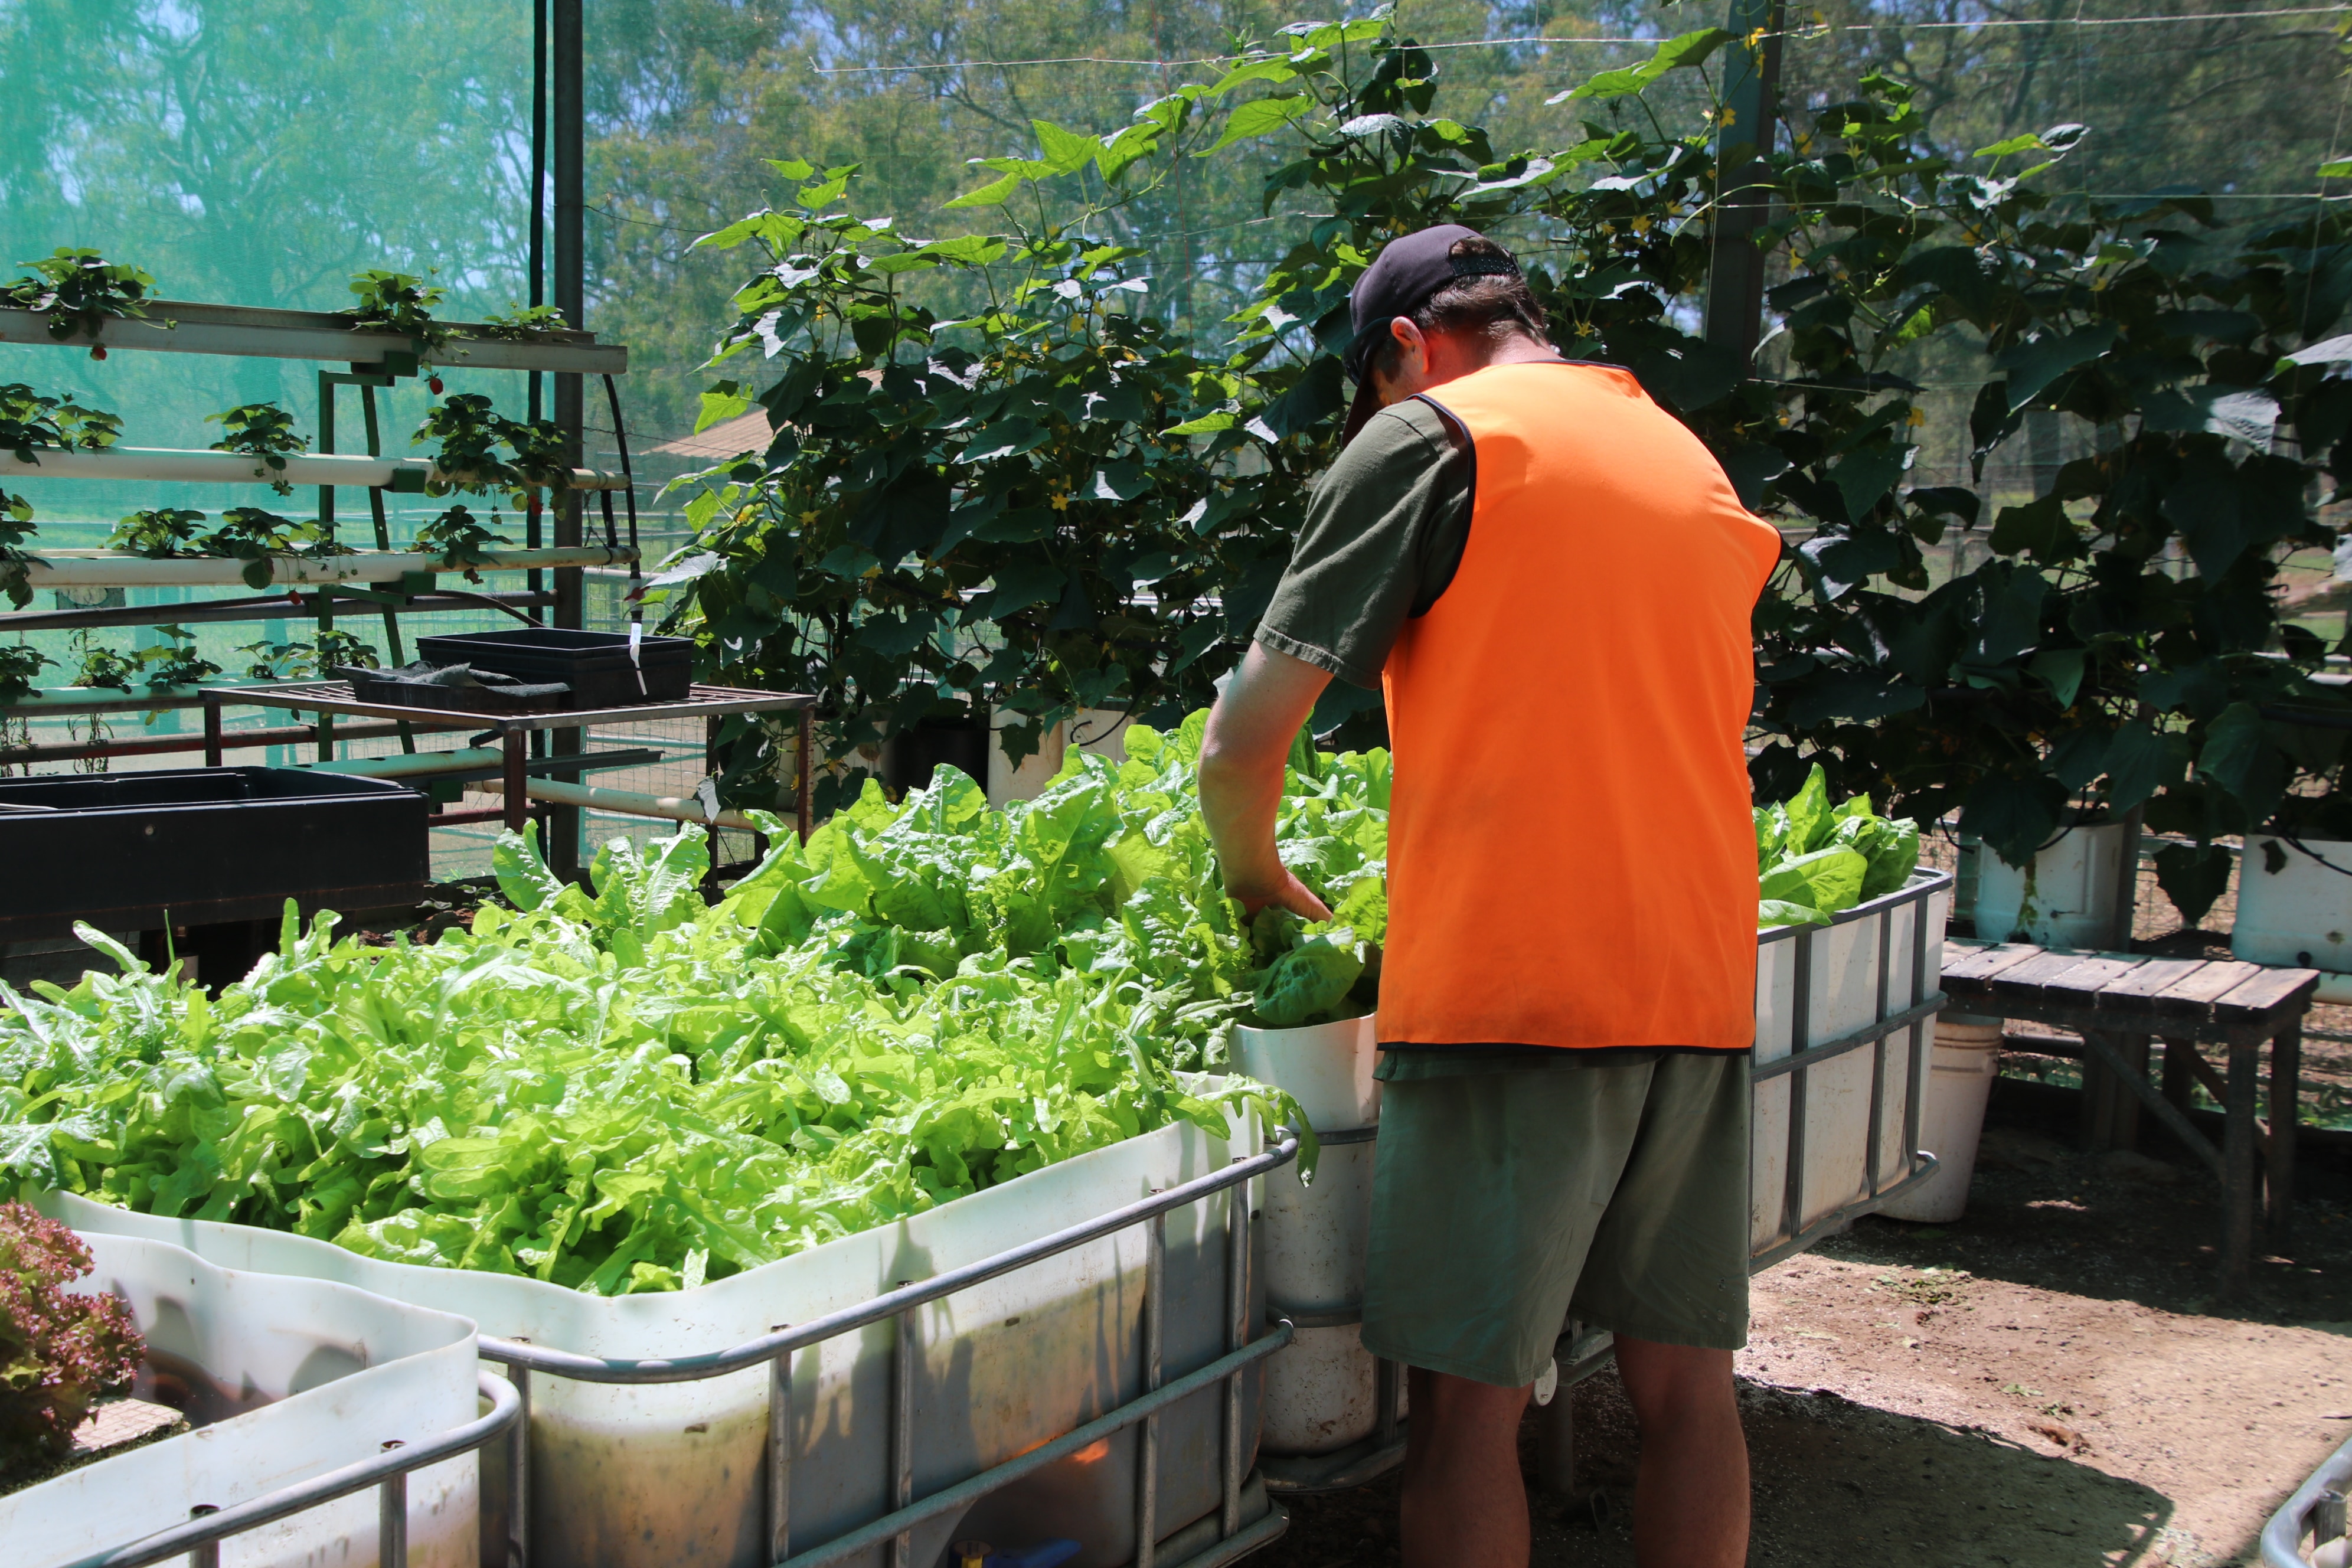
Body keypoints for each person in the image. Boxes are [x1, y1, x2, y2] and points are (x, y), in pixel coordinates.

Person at [1195, 225, 1782, 1568]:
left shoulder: (1433, 440)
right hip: (1693, 975)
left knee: (1463, 1420)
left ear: (1409, 343)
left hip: (1516, 991)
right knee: (1689, 1390)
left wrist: (1255, 883)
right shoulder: (1677, 449)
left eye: (1381, 384)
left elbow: (1243, 741)